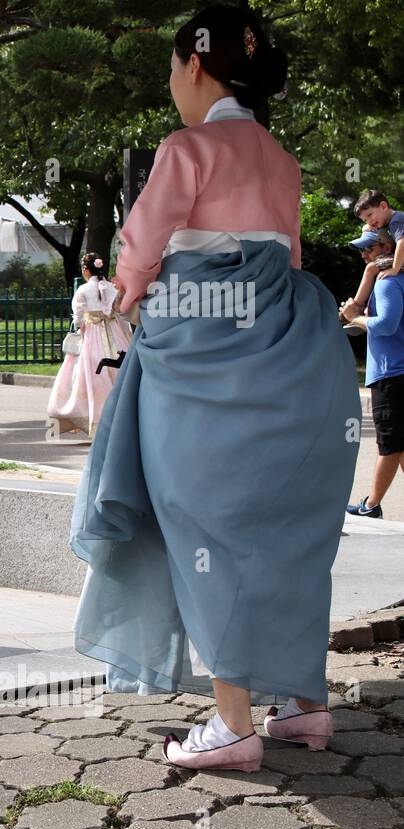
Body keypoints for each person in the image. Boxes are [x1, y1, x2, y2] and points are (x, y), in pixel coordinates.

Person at [69, 7, 360, 773]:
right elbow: (287, 260)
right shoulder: (282, 160)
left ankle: (233, 725)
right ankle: (304, 704)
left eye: (172, 69)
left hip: (201, 365)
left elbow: (138, 249)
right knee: (287, 526)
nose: (171, 84)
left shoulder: (187, 148)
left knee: (210, 523)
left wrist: (124, 299)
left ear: (196, 67)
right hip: (297, 359)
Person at [340, 255, 404, 518]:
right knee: (398, 444)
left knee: (390, 445)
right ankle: (371, 504)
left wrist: (355, 317)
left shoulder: (387, 282)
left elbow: (386, 326)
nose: (364, 254)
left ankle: (370, 505)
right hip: (396, 371)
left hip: (391, 373)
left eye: (371, 247)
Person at [47, 253, 132, 439]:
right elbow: (122, 315)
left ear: (86, 270)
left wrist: (82, 324)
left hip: (92, 337)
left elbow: (78, 319)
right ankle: (120, 420)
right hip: (115, 334)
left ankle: (95, 420)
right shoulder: (113, 288)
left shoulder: (83, 291)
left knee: (89, 377)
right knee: (119, 375)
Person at [347, 190, 404, 311]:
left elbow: (402, 243)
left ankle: (356, 306)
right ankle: (367, 307)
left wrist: (394, 269)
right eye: (365, 220)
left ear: (383, 206)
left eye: (369, 215)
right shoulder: (389, 221)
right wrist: (368, 225)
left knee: (371, 268)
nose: (369, 222)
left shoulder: (396, 221)